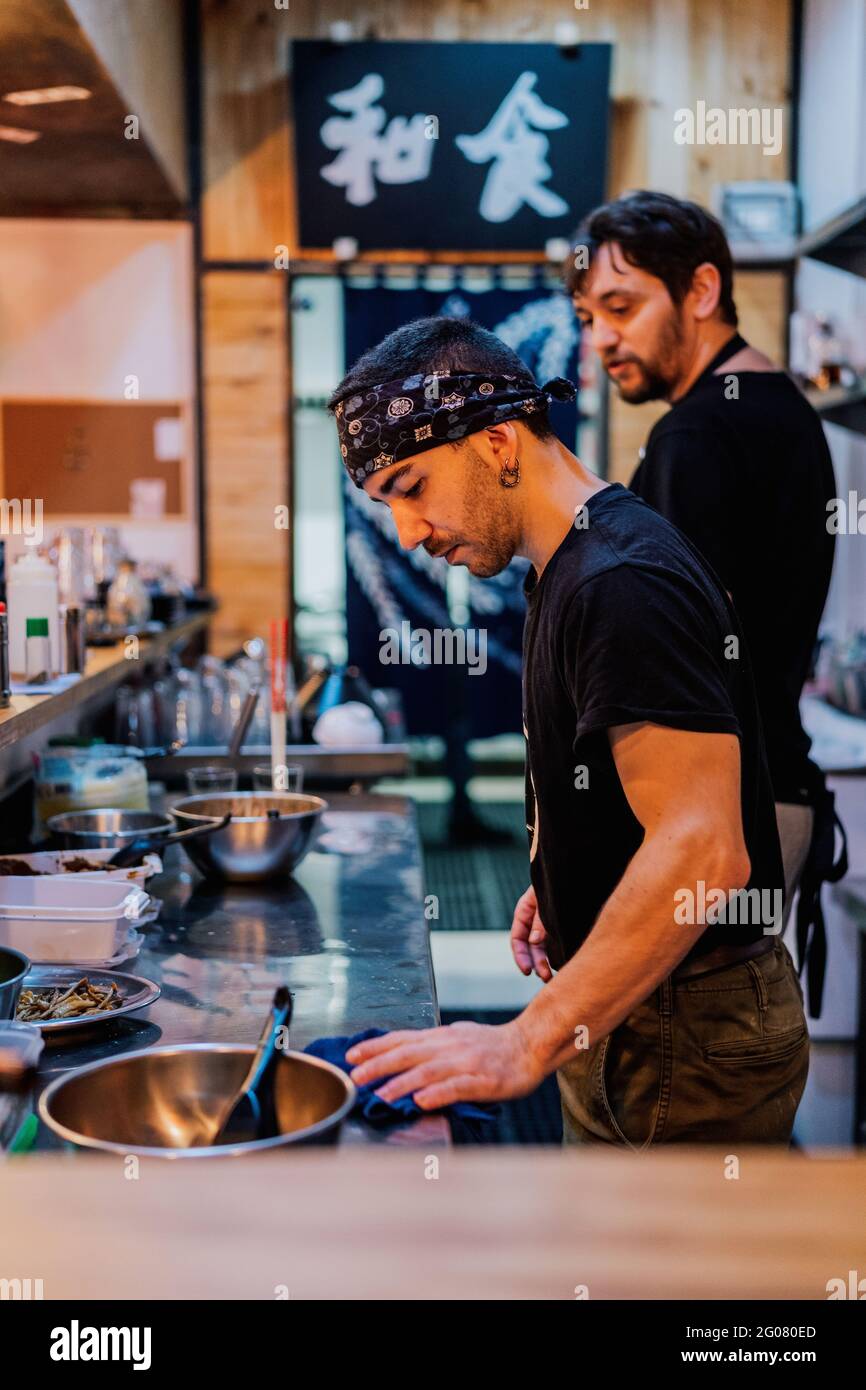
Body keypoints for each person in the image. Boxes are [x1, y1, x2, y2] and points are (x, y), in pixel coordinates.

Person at [328, 315, 808, 1145]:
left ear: (499, 445)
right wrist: (572, 875)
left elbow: (704, 848)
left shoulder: (620, 580)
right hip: (645, 1003)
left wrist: (525, 1041)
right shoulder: (571, 562)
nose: (407, 533)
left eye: (410, 488)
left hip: (682, 1031)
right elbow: (648, 797)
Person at [568, 190, 844, 1016]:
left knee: (676, 1091)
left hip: (723, 821)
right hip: (767, 799)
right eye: (586, 317)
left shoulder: (699, 433)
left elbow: (672, 657)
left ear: (700, 291)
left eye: (620, 306)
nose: (601, 338)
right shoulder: (773, 403)